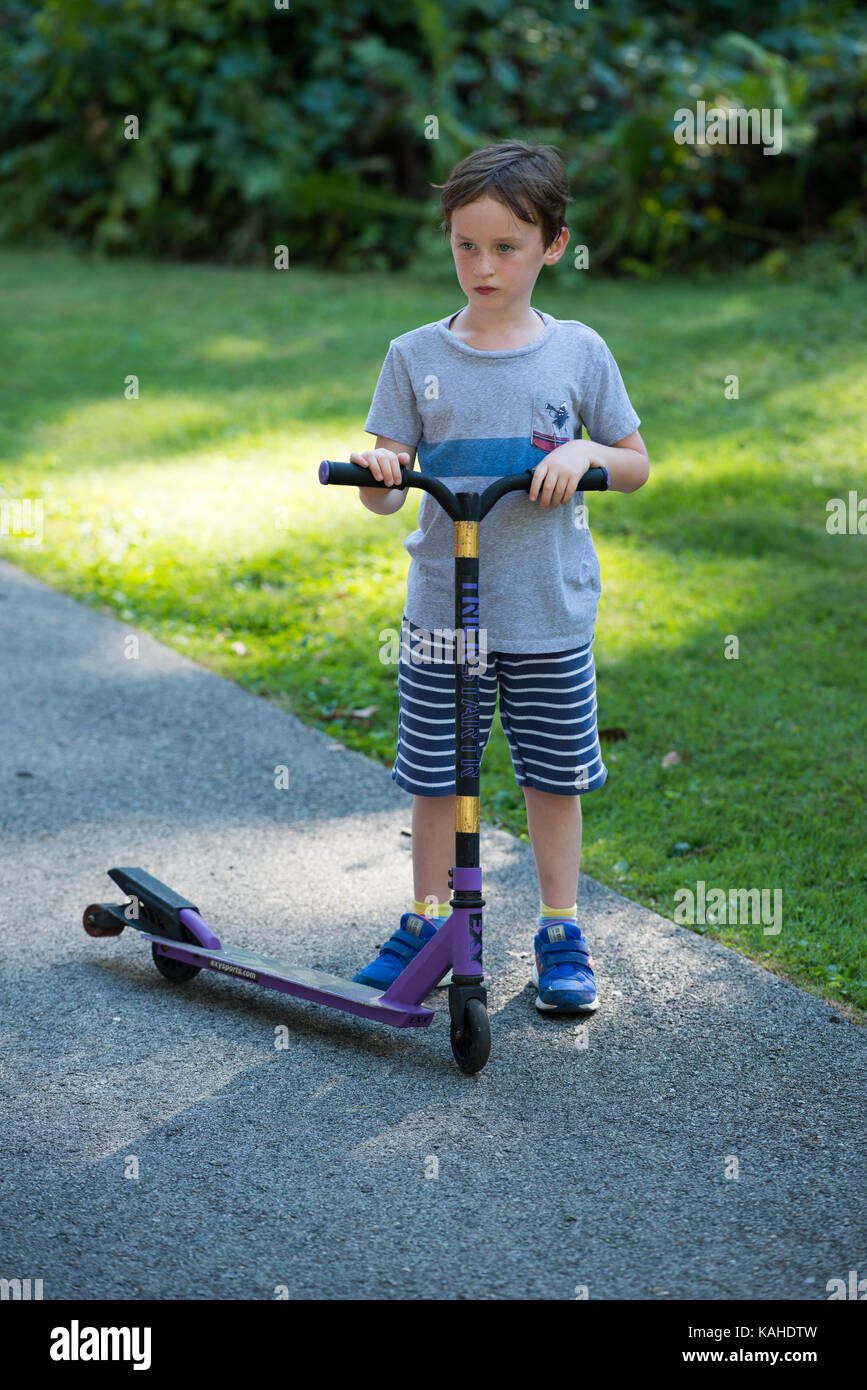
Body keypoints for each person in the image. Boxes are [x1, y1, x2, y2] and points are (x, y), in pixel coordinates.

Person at [348, 141, 648, 1013]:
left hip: (545, 611)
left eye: (505, 248)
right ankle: (429, 920)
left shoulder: (578, 352)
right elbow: (387, 480)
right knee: (436, 774)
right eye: (465, 247)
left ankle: (560, 927)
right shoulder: (411, 354)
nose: (482, 266)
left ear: (552, 245)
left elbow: (634, 464)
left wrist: (589, 449)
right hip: (443, 608)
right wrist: (380, 471)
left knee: (552, 777)